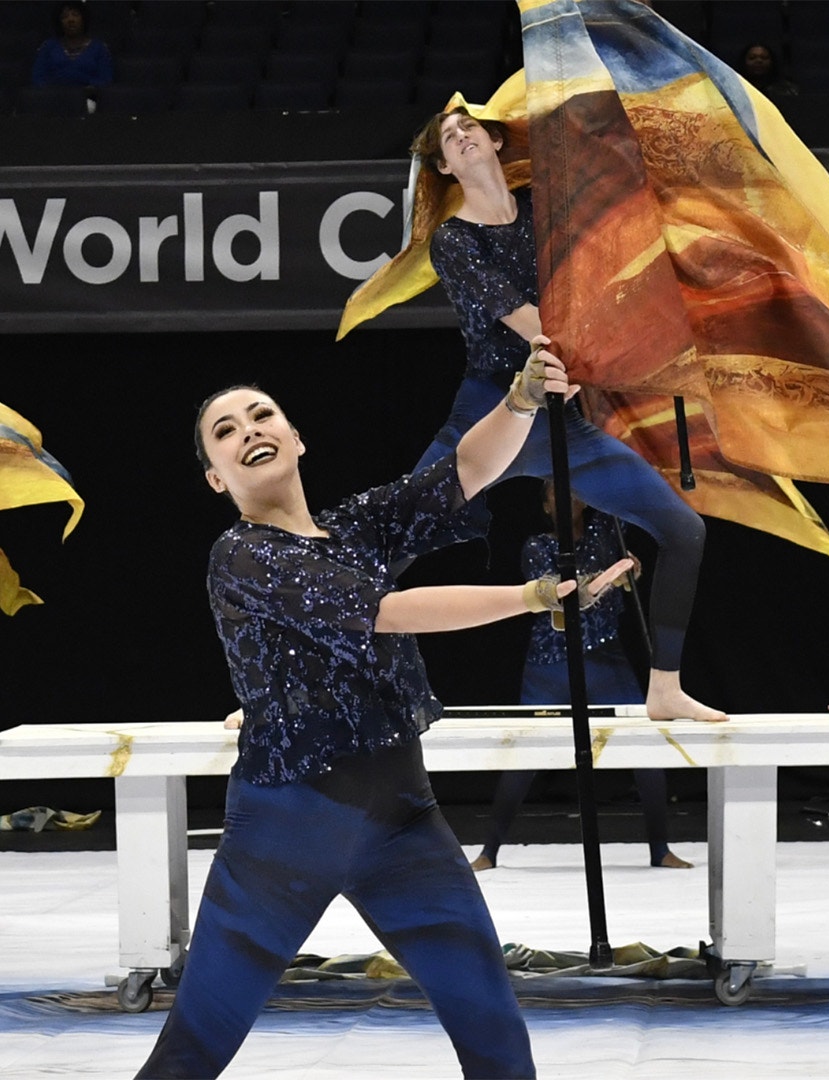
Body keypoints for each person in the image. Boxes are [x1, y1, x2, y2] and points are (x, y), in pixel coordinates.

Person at [140, 347, 628, 1078]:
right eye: (226, 431)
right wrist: (529, 598)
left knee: (494, 1031)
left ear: (298, 437)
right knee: (195, 1049)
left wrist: (521, 401)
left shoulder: (353, 532)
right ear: (217, 477)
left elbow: (461, 476)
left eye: (262, 414)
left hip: (403, 820)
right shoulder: (240, 554)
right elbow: (387, 613)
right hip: (286, 834)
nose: (249, 430)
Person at [407, 106, 722, 722]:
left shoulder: (547, 217)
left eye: (469, 127)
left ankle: (664, 688)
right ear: (444, 166)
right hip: (487, 415)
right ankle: (292, 689)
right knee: (387, 542)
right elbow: (533, 327)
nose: (462, 136)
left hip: (559, 423)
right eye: (448, 138)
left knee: (686, 532)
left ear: (495, 139)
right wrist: (608, 350)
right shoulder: (455, 240)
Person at [471, 483, 691, 872]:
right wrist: (606, 579)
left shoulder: (607, 531)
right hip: (549, 663)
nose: (566, 498)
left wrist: (630, 571)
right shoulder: (536, 546)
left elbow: (624, 508)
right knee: (523, 756)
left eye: (573, 492)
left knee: (645, 748)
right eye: (556, 493)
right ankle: (489, 851)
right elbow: (558, 596)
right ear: (544, 504)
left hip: (606, 659)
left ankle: (660, 847)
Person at [30, 1, 112, 92]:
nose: (70, 20)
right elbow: (37, 79)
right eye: (65, 17)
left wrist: (83, 88)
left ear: (83, 19)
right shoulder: (48, 46)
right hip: (52, 98)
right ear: (59, 22)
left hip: (89, 100)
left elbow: (105, 80)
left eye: (75, 15)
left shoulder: (99, 48)